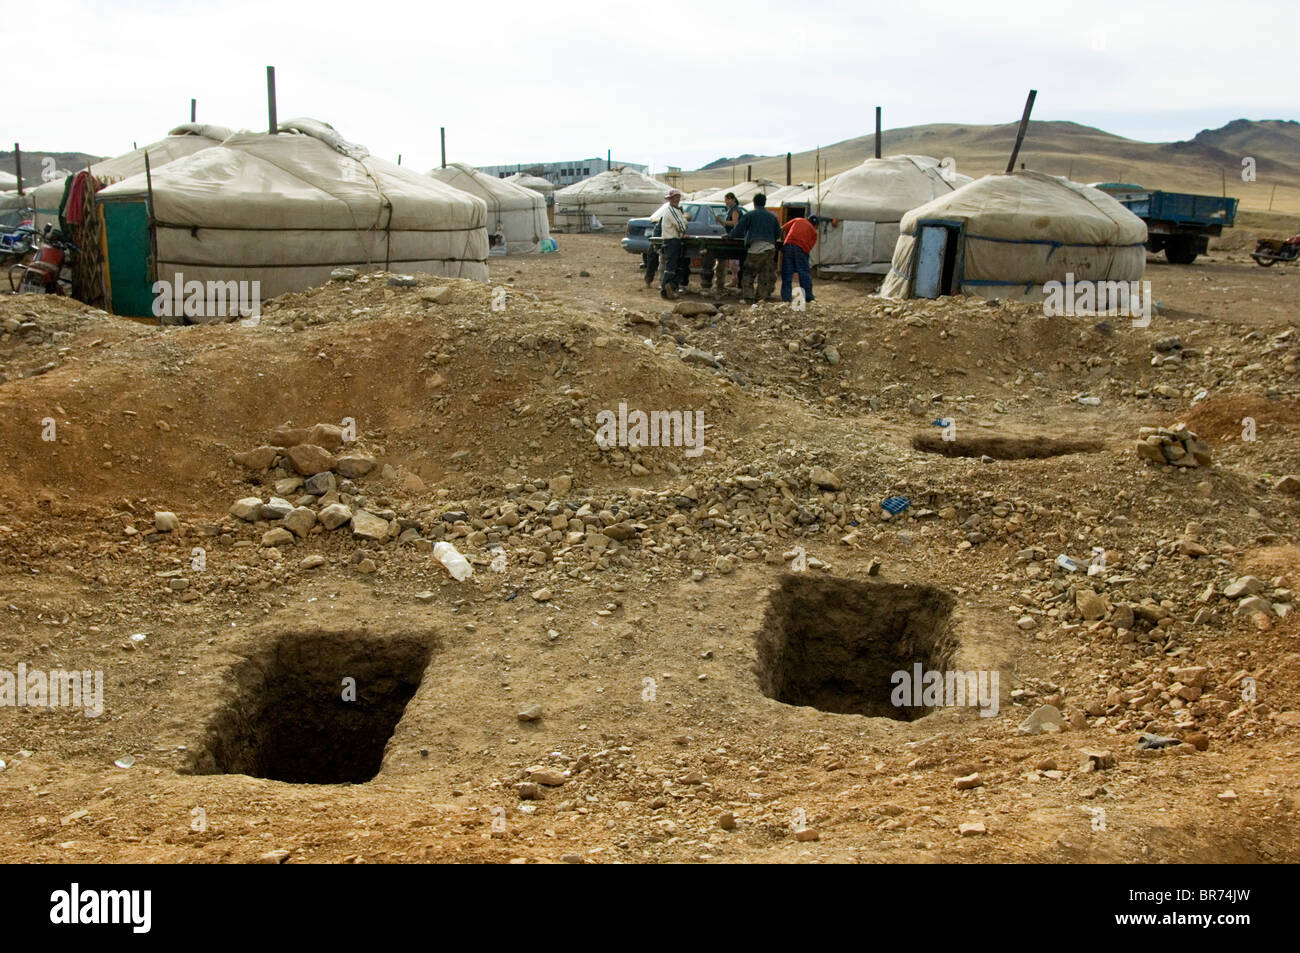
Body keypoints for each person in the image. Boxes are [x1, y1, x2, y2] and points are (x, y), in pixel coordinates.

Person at [728, 192, 781, 302]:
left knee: (748, 273)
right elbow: (778, 233)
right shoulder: (773, 216)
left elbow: (738, 229)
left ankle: (748, 298)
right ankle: (761, 298)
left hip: (755, 249)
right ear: (765, 203)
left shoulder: (750, 215)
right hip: (770, 249)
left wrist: (729, 236)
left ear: (754, 203)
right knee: (764, 274)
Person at [649, 188, 689, 299]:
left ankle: (670, 287)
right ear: (670, 199)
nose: (676, 199)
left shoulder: (676, 210)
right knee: (671, 266)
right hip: (672, 241)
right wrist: (683, 228)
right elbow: (681, 225)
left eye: (677, 197)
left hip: (674, 240)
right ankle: (666, 289)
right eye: (674, 198)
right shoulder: (671, 210)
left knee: (677, 266)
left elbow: (683, 222)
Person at [780, 213, 819, 304]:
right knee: (804, 273)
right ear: (816, 225)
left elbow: (782, 228)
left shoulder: (798, 219)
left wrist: (782, 241)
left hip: (788, 245)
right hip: (801, 248)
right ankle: (808, 297)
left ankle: (786, 298)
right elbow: (809, 247)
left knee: (787, 273)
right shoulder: (814, 232)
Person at [714, 192, 744, 291]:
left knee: (734, 261)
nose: (726, 202)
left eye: (727, 200)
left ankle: (735, 280)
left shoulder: (735, 210)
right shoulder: (730, 210)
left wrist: (722, 221)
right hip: (731, 235)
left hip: (735, 237)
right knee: (733, 261)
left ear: (733, 199)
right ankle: (734, 280)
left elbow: (735, 223)